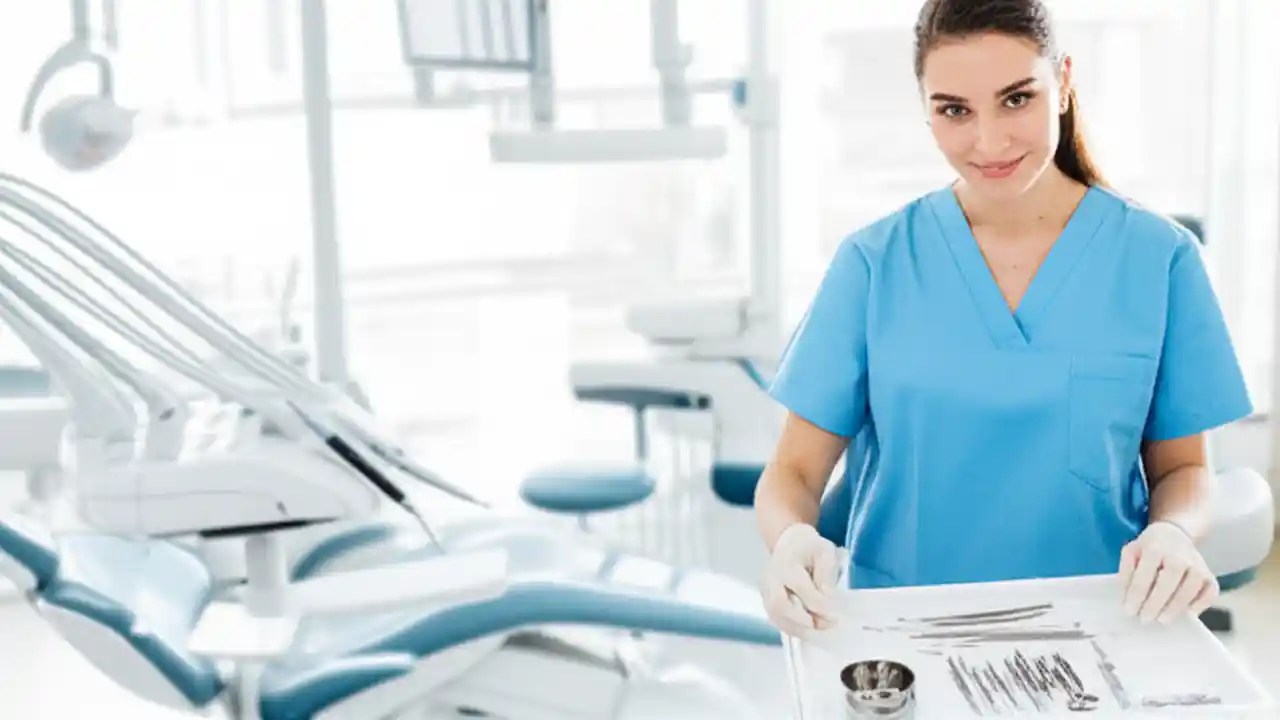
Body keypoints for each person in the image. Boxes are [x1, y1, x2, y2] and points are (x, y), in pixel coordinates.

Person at [754, 0, 1253, 639]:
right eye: (954, 110)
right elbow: (792, 474)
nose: (988, 142)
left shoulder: (1160, 260)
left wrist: (1174, 533)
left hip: (1101, 628)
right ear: (927, 110)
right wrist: (792, 540)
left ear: (1064, 82)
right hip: (906, 637)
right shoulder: (874, 264)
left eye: (1017, 99)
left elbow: (1183, 470)